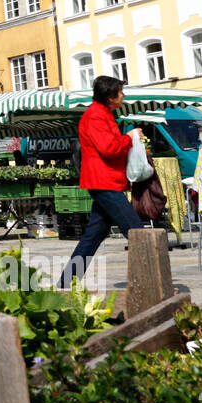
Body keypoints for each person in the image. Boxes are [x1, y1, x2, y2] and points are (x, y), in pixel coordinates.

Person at [58, 76, 147, 287]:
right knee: (137, 232)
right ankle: (153, 279)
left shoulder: (102, 113)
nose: (123, 95)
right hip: (104, 182)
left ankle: (65, 283)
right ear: (110, 96)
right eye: (120, 91)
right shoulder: (96, 116)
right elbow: (109, 148)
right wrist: (130, 137)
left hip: (105, 181)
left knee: (92, 237)